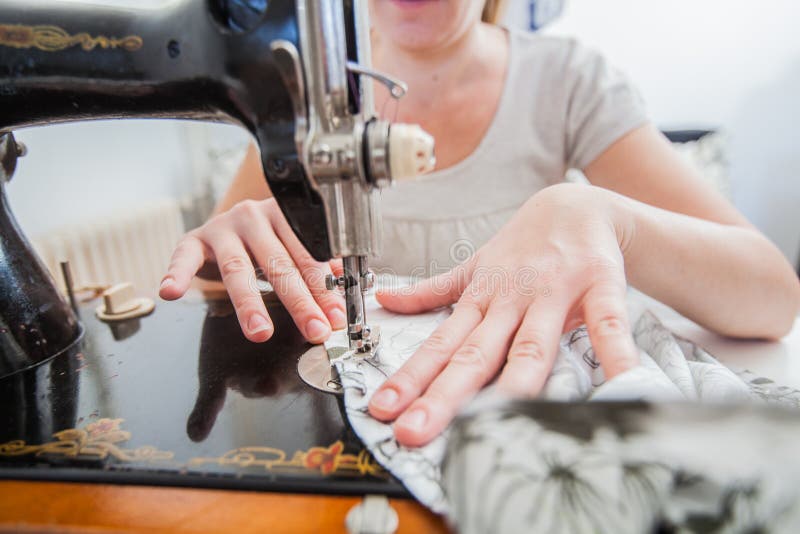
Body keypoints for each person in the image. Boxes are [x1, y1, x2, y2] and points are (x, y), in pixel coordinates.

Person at [159, 0, 800, 447]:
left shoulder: (568, 82)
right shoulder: (303, 98)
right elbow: (226, 293)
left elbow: (771, 299)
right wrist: (225, 248)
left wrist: (605, 217)